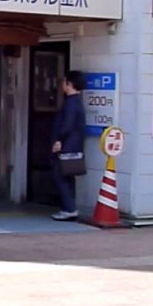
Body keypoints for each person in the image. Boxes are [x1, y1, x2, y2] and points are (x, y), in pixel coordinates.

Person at [51, 70, 87, 221]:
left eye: (64, 81)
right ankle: (70, 207)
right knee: (68, 177)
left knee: (60, 176)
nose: (62, 85)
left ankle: (69, 208)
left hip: (66, 146)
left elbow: (67, 125)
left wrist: (59, 140)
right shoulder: (77, 102)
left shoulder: (70, 103)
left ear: (69, 84)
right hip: (74, 146)